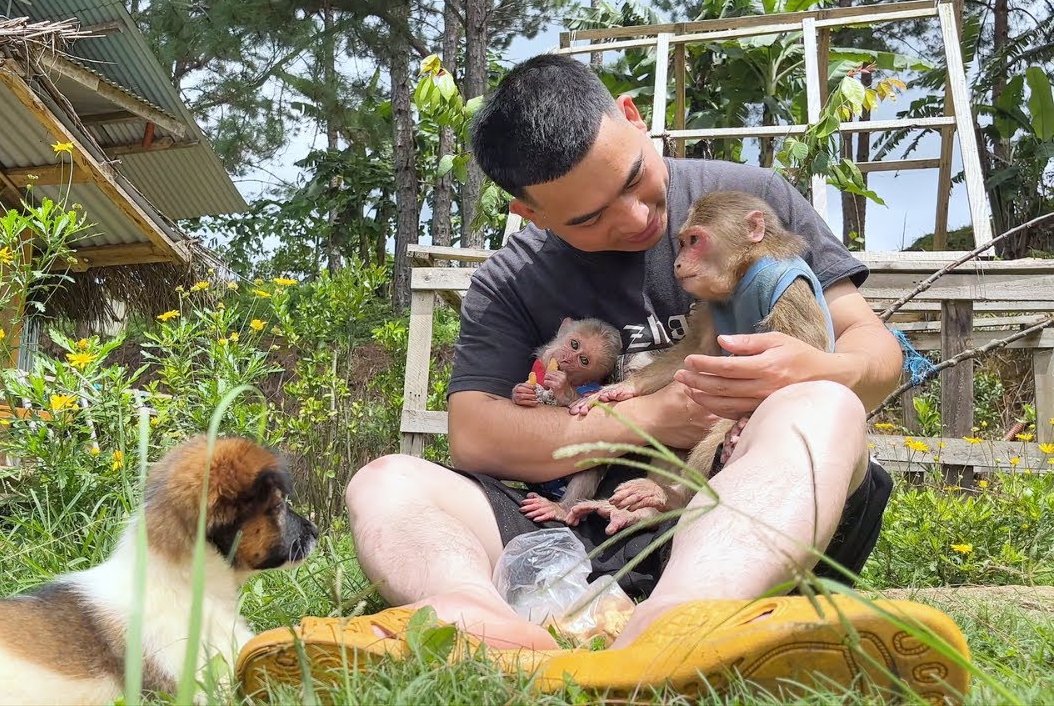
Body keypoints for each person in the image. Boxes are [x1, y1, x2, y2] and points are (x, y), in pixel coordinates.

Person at [236, 54, 969, 700]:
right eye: (591, 217)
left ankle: (690, 619)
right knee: (385, 480)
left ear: (632, 116)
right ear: (530, 212)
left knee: (823, 406)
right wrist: (654, 417)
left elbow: (875, 351)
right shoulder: (511, 279)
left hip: (749, 518)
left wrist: (820, 368)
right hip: (573, 539)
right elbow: (476, 436)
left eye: (636, 180)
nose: (639, 218)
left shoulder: (750, 199)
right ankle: (479, 626)